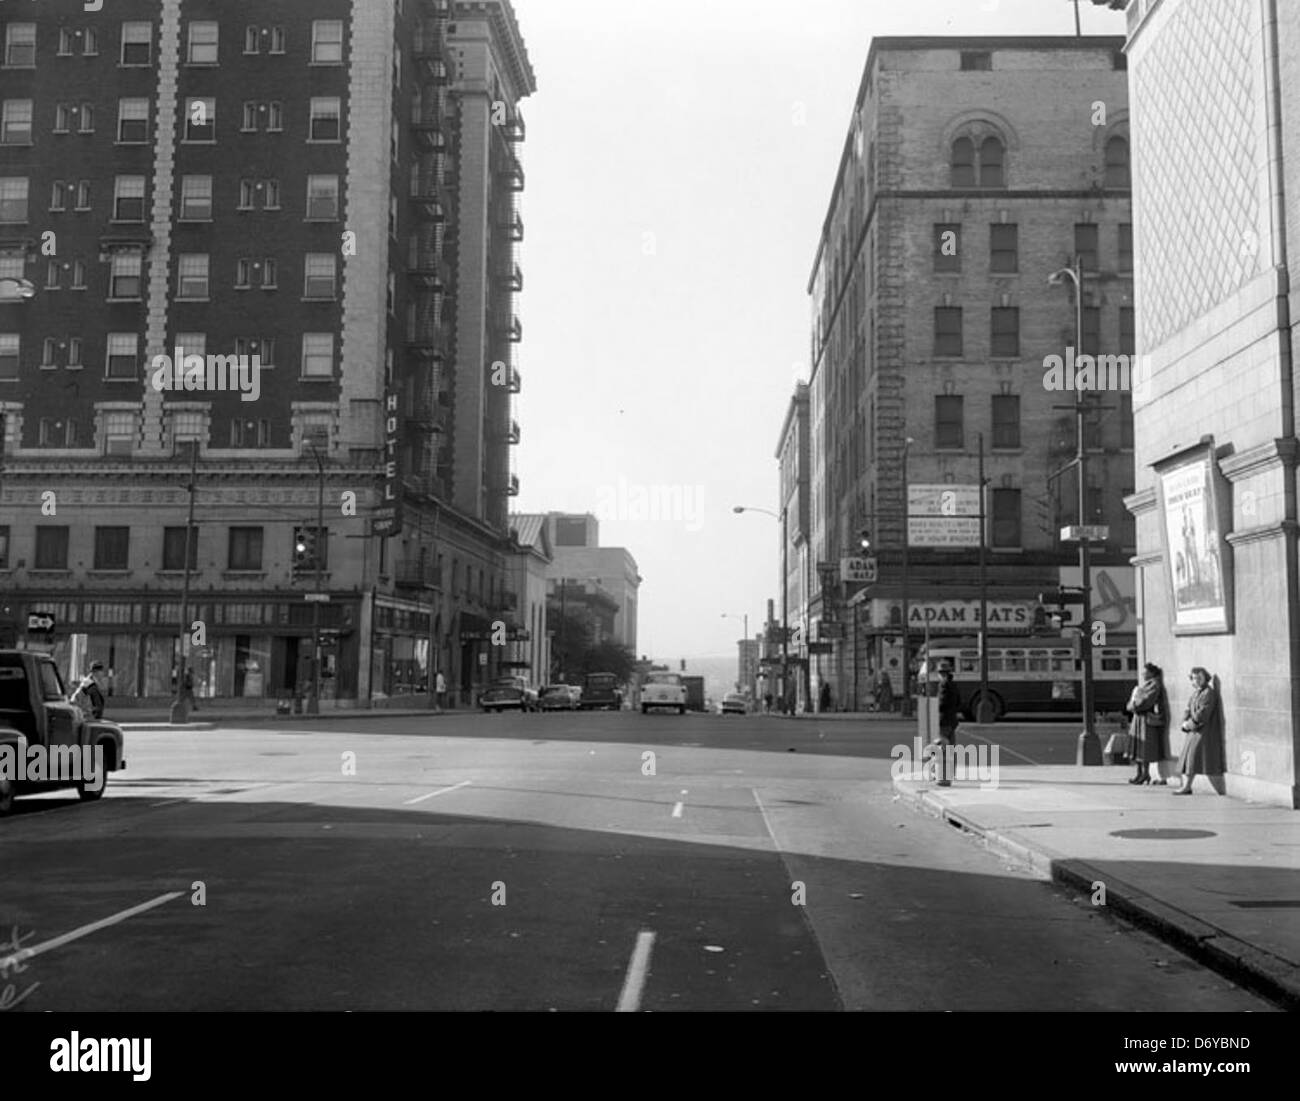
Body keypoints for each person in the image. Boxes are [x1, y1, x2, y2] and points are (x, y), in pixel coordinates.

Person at [1174, 667, 1221, 795]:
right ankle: (1186, 786)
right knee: (1189, 759)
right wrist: (1185, 721)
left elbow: (1203, 714)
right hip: (1193, 731)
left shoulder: (1208, 693)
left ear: (1206, 678)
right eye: (1194, 678)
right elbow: (1188, 709)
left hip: (1203, 731)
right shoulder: (1196, 693)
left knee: (1193, 758)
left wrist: (1189, 724)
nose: (1197, 680)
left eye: (1199, 678)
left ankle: (1187, 786)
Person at [1125, 662, 1169, 785]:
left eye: (1145, 672)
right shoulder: (1148, 685)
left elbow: (1145, 702)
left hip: (1146, 719)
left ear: (1151, 673)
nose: (1143, 674)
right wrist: (1133, 704)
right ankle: (1140, 773)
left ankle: (1145, 774)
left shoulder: (1154, 685)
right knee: (1137, 747)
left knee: (1143, 749)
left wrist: (1133, 705)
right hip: (1139, 718)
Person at [934, 666, 960, 787]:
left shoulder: (943, 684)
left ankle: (941, 774)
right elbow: (959, 702)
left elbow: (942, 702)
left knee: (941, 748)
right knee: (951, 748)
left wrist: (934, 707)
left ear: (942, 674)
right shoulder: (954, 685)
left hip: (943, 720)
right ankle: (950, 773)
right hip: (952, 721)